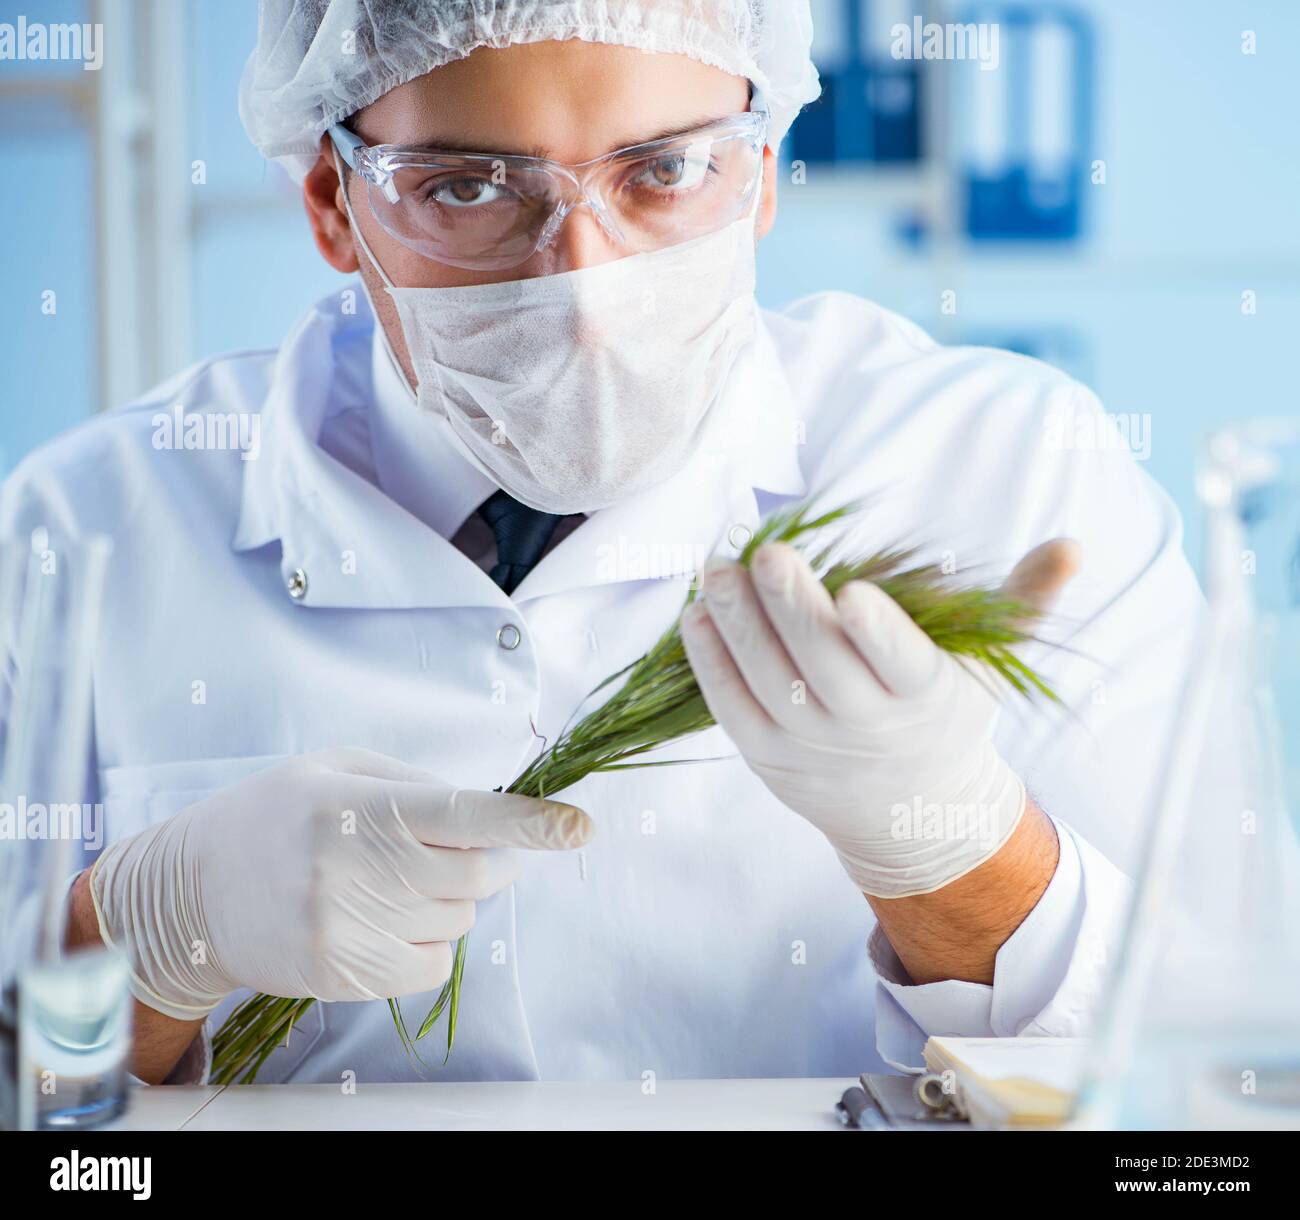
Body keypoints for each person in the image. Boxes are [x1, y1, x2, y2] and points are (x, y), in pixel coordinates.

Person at [4, 1, 1199, 1088]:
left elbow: (1192, 1085)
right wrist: (145, 932)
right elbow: (28, 1089)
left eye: (666, 171)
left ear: (763, 173)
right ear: (334, 201)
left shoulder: (1012, 473)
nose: (583, 287)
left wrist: (953, 846)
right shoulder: (84, 533)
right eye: (468, 188)